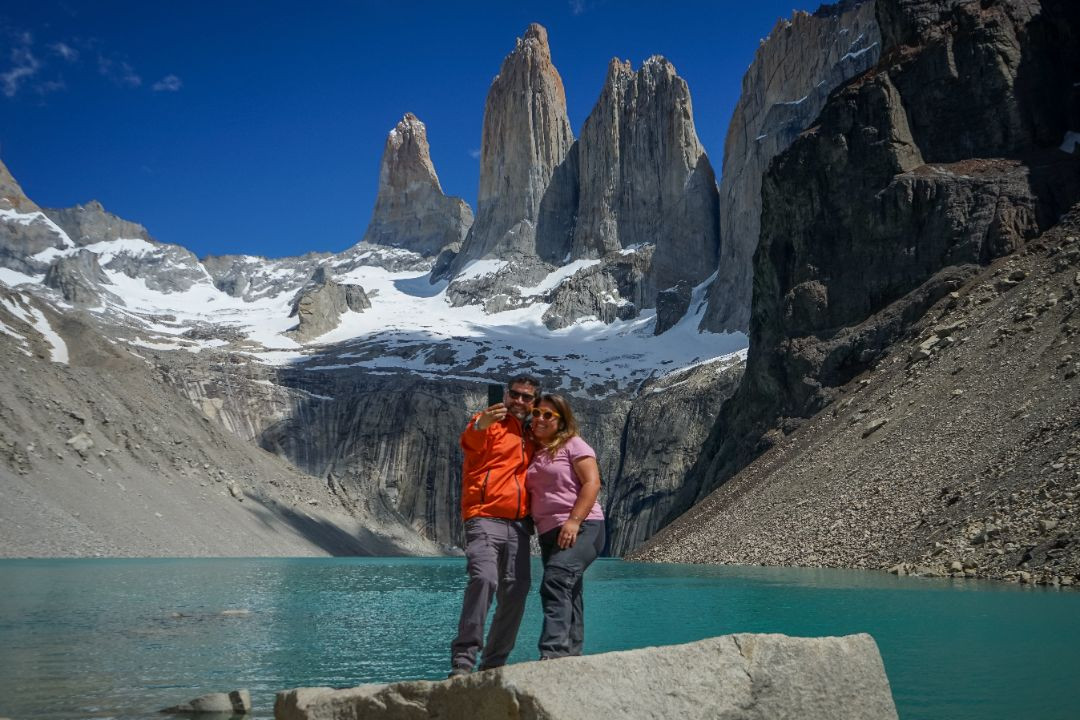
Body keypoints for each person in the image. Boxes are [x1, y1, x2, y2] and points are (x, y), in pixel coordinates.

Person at [449, 375, 539, 677]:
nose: (520, 401)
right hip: (483, 517)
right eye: (516, 395)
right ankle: (463, 663)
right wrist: (481, 423)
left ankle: (493, 667)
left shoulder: (532, 434)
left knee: (516, 592)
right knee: (484, 579)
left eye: (528, 397)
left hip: (519, 527)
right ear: (507, 394)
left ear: (534, 401)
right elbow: (469, 440)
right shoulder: (487, 422)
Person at [525, 393, 605, 659]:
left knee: (557, 579)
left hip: (583, 527)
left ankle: (553, 654)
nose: (540, 418)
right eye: (536, 412)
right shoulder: (535, 453)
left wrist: (573, 521)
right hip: (549, 534)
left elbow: (592, 483)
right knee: (570, 590)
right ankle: (571, 655)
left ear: (562, 421)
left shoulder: (574, 445)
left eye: (549, 415)